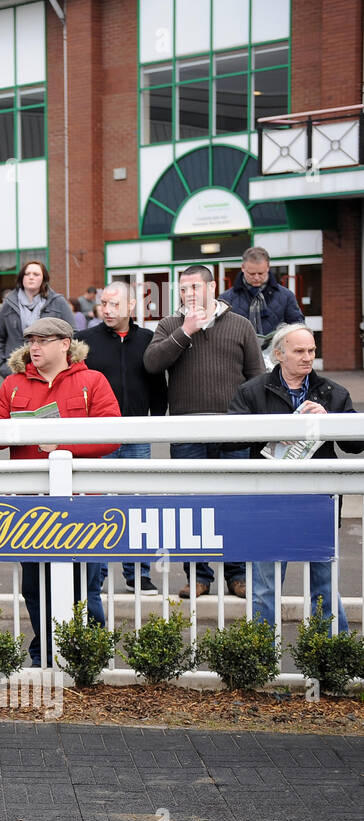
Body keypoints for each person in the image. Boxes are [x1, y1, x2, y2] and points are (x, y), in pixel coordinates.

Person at [0, 317, 121, 666]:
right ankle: (45, 654)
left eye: (44, 340)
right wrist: (15, 432)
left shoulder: (93, 381)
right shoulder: (13, 383)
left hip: (78, 504)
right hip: (30, 505)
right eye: (31, 340)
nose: (35, 346)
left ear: (65, 344)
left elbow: (112, 434)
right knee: (34, 585)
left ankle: (86, 657)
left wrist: (61, 445)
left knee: (81, 586)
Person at [229, 324, 362, 633]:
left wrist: (331, 422)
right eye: (299, 351)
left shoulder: (332, 392)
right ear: (279, 354)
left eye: (312, 351)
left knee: (324, 583)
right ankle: (260, 659)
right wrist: (274, 430)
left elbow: (356, 444)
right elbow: (228, 440)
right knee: (264, 585)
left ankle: (331, 657)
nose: (307, 358)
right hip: (269, 500)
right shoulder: (252, 391)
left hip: (318, 501)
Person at [144, 265, 264, 599]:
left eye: (195, 287)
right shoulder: (170, 325)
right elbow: (152, 363)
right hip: (187, 432)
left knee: (234, 504)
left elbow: (256, 378)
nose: (188, 294)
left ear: (212, 287)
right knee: (191, 505)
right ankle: (198, 576)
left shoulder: (240, 325)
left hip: (233, 431)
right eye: (183, 289)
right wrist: (185, 332)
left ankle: (237, 574)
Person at [77, 280, 167, 595]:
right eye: (104, 303)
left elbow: (158, 385)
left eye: (115, 304)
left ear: (131, 306)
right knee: (98, 507)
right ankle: (96, 576)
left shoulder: (148, 339)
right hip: (98, 435)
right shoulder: (84, 341)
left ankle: (137, 574)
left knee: (136, 505)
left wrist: (157, 422)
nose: (108, 309)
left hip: (138, 433)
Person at [0, 260, 77, 376]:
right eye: (27, 274)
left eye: (36, 274)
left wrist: (64, 364)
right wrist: (1, 365)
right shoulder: (9, 304)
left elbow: (73, 334)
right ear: (21, 278)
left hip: (51, 370)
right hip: (15, 370)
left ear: (43, 279)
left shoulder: (58, 302)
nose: (31, 277)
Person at [219, 246, 305, 337]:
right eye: (251, 273)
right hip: (239, 350)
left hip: (276, 350)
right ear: (243, 268)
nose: (256, 277)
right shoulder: (226, 299)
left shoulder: (286, 296)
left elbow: (298, 327)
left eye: (261, 273)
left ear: (268, 267)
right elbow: (219, 330)